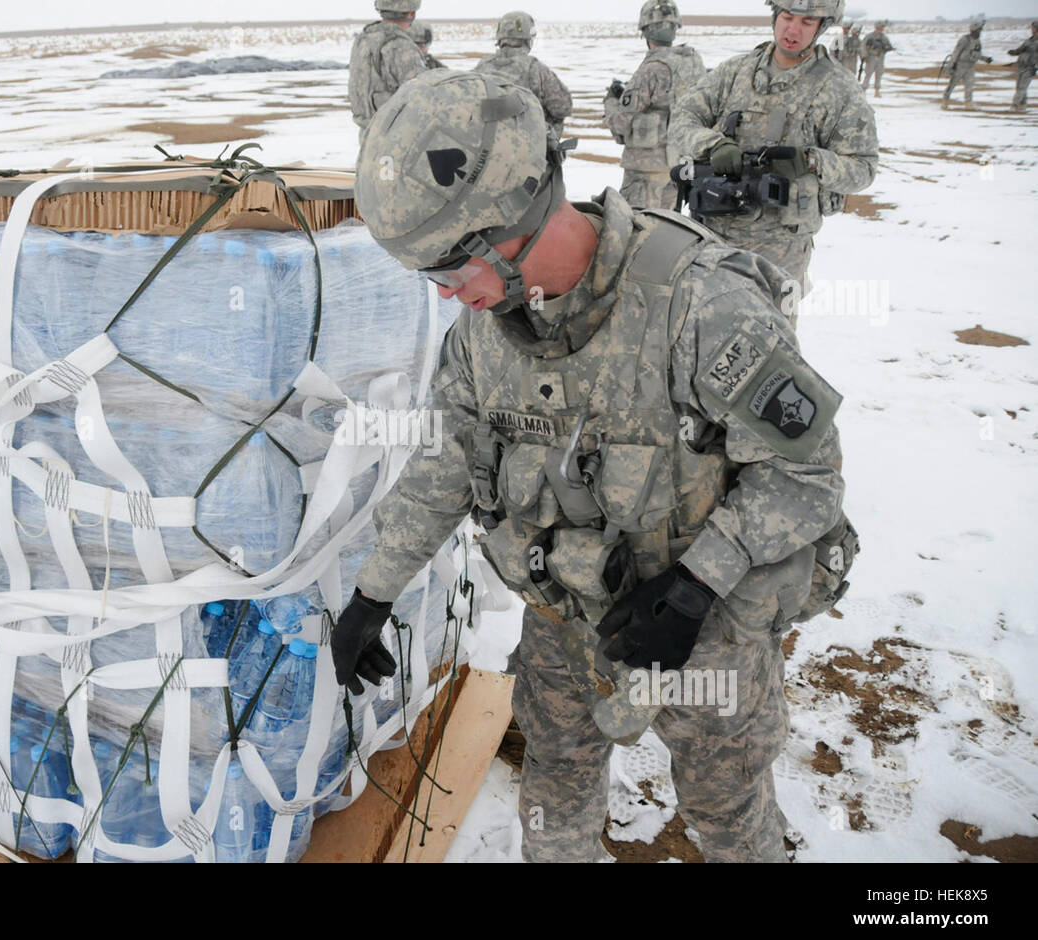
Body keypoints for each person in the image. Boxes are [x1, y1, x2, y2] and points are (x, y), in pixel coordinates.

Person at [336, 68, 851, 863]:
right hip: (564, 621)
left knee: (728, 814)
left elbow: (807, 473)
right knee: (555, 792)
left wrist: (695, 586)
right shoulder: (483, 332)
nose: (444, 297)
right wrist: (372, 594)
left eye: (448, 270)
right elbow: (448, 463)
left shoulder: (699, 304)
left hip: (704, 633)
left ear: (511, 221)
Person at [667, 0, 878, 290]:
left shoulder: (838, 89)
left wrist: (811, 160)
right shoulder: (736, 72)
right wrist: (713, 145)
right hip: (714, 234)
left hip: (780, 251)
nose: (793, 30)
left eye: (806, 22)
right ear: (775, 15)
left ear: (822, 26)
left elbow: (863, 168)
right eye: (787, 18)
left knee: (768, 332)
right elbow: (682, 116)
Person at [603, 1, 706, 210]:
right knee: (666, 231)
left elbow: (620, 123)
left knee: (636, 230)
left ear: (646, 31)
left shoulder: (652, 68)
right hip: (679, 165)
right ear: (675, 28)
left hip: (646, 170)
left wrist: (612, 101)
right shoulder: (693, 62)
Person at [473, 11, 574, 141]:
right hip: (526, 148)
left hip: (485, 148)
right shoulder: (535, 69)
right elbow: (563, 108)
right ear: (527, 39)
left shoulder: (481, 67)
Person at [349, 0, 427, 141]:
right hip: (395, 137)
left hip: (367, 134)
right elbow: (421, 95)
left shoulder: (363, 40)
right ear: (412, 13)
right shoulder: (400, 46)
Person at [943, 16, 993, 109]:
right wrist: (951, 65)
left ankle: (968, 103)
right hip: (960, 66)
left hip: (970, 66)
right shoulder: (964, 39)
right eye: (979, 30)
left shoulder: (977, 41)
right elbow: (956, 52)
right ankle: (945, 101)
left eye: (980, 30)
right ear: (974, 29)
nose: (980, 32)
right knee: (952, 84)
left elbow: (977, 54)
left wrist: (985, 59)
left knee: (969, 85)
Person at [1008, 20, 1038, 110]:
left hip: (1030, 68)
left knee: (1022, 87)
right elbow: (1020, 50)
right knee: (1019, 87)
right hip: (1021, 66)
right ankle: (1022, 105)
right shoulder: (1028, 41)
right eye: (1032, 28)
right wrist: (1013, 52)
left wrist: (1035, 68)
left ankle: (1014, 105)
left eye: (1033, 28)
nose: (1032, 30)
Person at [860, 20, 894, 97]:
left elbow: (888, 45)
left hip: (880, 58)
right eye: (880, 27)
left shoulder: (884, 37)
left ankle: (877, 91)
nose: (881, 29)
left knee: (879, 74)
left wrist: (887, 48)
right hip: (871, 57)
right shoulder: (870, 36)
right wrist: (864, 55)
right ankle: (864, 90)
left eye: (882, 27)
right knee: (868, 74)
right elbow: (863, 46)